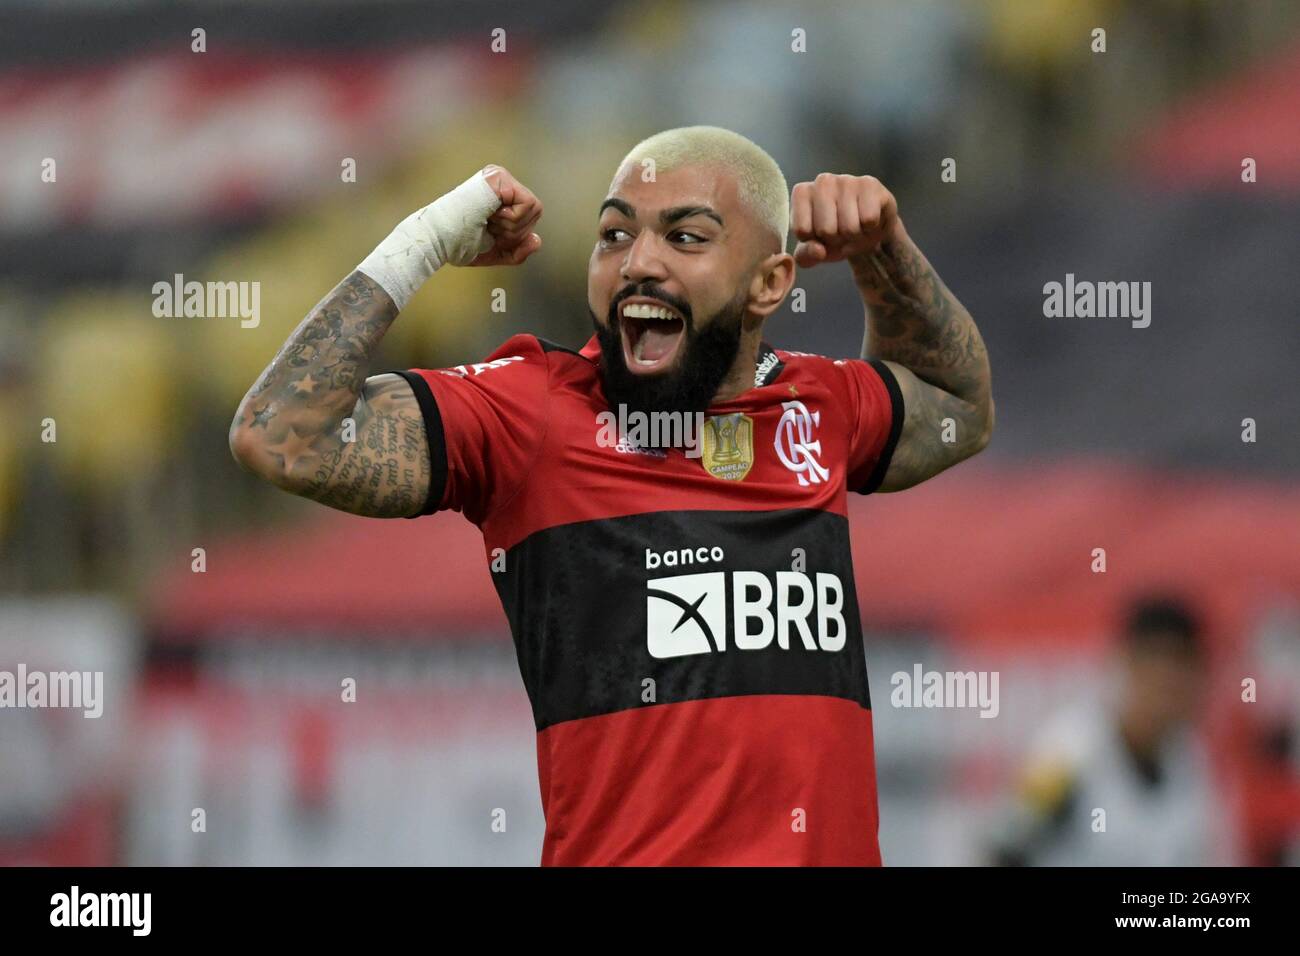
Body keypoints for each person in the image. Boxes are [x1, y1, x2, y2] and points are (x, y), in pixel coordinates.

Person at [228, 126, 994, 865]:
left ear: (769, 284)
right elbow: (281, 434)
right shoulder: (531, 413)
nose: (638, 264)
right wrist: (423, 240)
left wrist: (885, 255)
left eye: (685, 238)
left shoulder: (816, 405)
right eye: (615, 235)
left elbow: (960, 409)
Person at [988, 596, 1239, 866]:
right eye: (1159, 664)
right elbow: (1001, 850)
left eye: (1185, 666)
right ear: (1127, 663)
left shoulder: (1193, 762)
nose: (1171, 684)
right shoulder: (1068, 754)